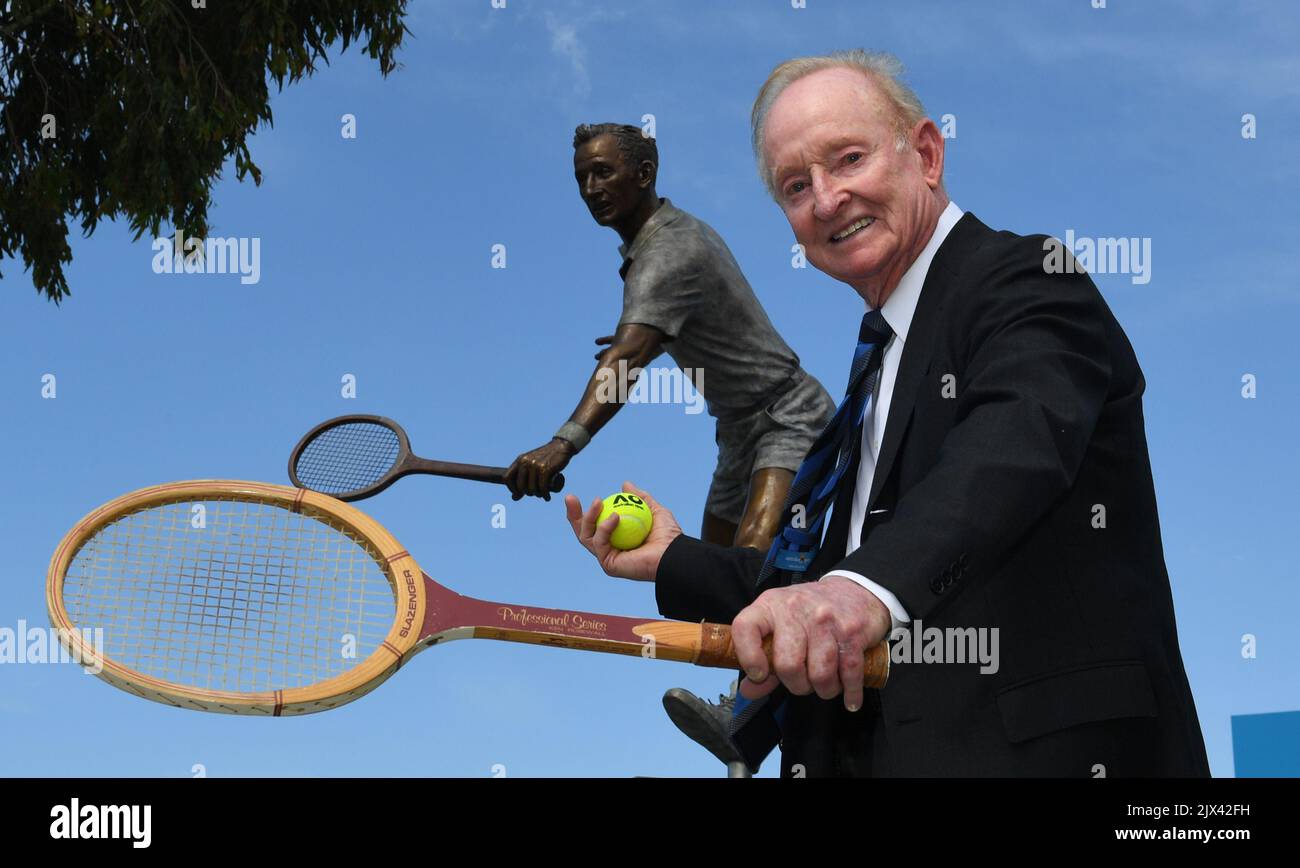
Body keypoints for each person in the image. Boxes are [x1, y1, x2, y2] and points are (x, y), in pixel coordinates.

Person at [564, 51, 1210, 777]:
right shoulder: (872, 375)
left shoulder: (1027, 281)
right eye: (796, 186)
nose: (828, 198)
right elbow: (826, 586)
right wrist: (675, 558)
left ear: (926, 154)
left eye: (849, 158)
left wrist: (852, 592)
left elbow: (1011, 447)